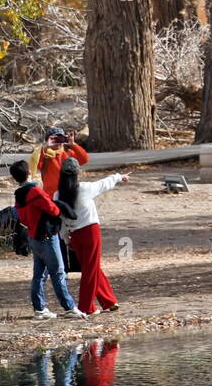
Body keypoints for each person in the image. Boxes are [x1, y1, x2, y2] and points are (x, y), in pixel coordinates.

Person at [10, 159, 87, 320]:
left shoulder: (18, 195)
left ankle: (39, 309)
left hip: (33, 237)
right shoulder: (35, 191)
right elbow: (52, 209)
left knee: (39, 275)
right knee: (58, 272)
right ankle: (69, 307)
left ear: (14, 178)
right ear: (29, 173)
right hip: (47, 237)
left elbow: (21, 216)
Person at [56, 157, 127, 315]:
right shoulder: (85, 188)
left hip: (74, 235)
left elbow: (60, 221)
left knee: (91, 267)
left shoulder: (57, 195)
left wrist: (66, 239)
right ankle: (86, 307)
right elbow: (104, 184)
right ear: (77, 174)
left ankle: (108, 301)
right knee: (90, 269)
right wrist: (118, 177)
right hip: (90, 232)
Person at [29, 126, 89, 199]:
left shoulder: (68, 153)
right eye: (54, 139)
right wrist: (45, 147)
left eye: (60, 139)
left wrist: (73, 144)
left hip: (69, 194)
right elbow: (37, 164)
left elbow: (84, 159)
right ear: (47, 141)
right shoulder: (44, 155)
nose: (58, 142)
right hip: (51, 196)